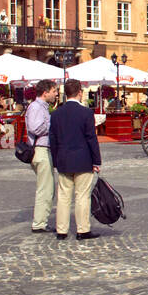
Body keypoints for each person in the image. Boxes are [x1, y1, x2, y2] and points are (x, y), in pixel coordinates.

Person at [47, 79, 102, 240]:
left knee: (63, 196)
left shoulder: (56, 114)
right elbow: (91, 138)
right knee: (82, 196)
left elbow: (53, 139)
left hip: (64, 159)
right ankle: (82, 230)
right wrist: (96, 160)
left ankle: (62, 230)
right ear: (79, 92)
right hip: (83, 159)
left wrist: (56, 160)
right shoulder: (86, 113)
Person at [25, 80, 59, 234]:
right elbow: (35, 128)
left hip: (44, 149)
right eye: (54, 91)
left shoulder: (42, 107)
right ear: (45, 92)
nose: (56, 94)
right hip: (40, 149)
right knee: (45, 188)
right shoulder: (36, 107)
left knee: (47, 187)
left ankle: (41, 221)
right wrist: (53, 125)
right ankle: (39, 223)